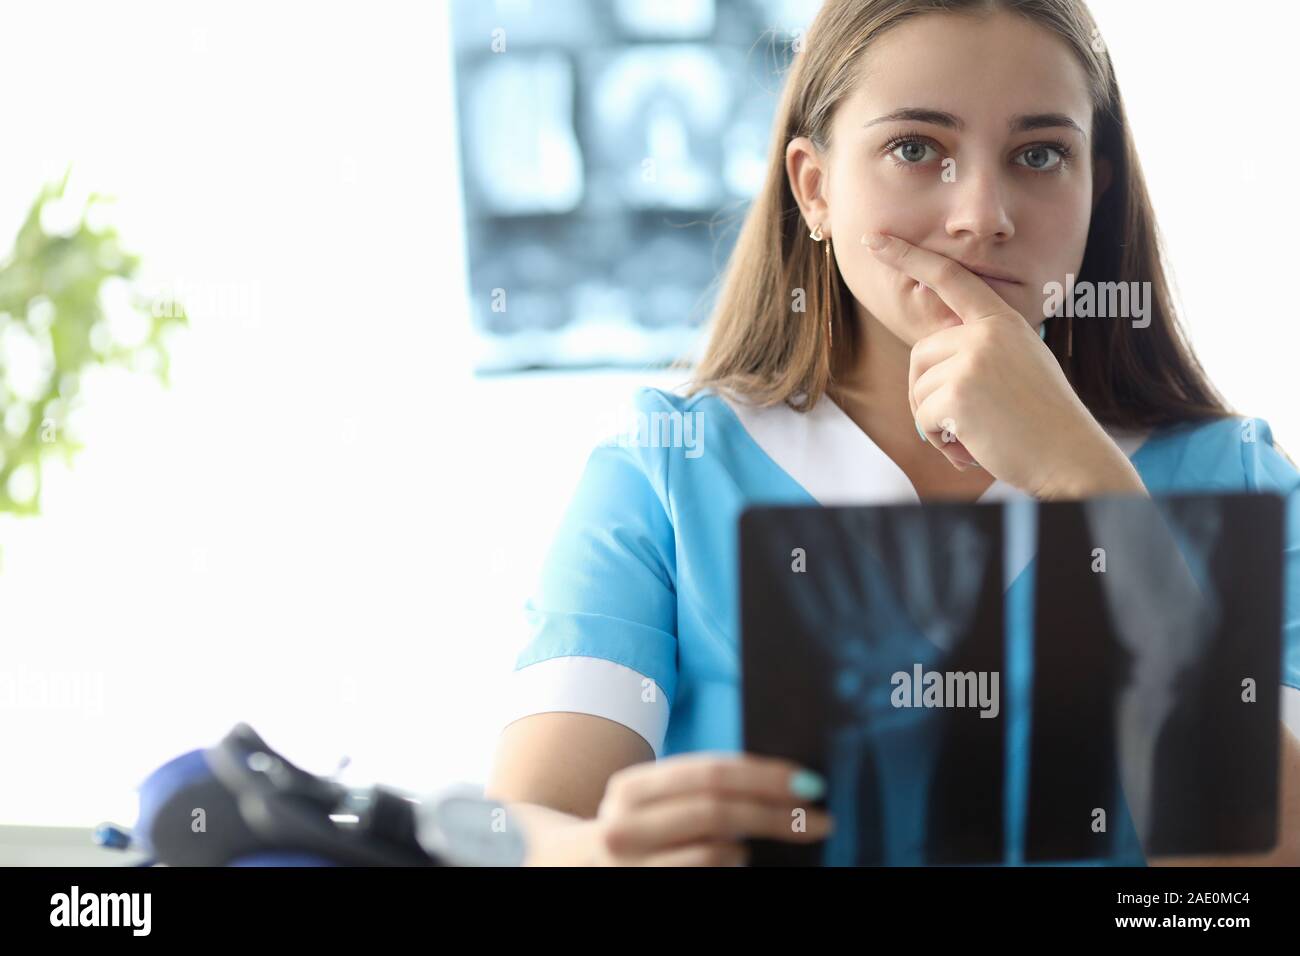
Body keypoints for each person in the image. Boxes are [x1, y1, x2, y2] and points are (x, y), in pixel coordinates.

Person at [485, 0, 1300, 866]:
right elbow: (526, 824)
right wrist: (606, 857)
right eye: (917, 148)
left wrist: (1083, 481)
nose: (982, 215)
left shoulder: (1241, 482)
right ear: (815, 187)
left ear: (1096, 185)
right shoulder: (663, 475)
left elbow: (1265, 858)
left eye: (1040, 155)